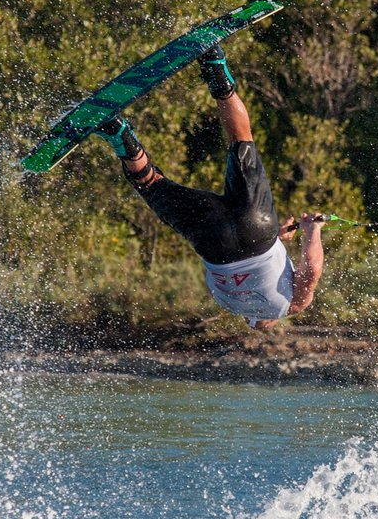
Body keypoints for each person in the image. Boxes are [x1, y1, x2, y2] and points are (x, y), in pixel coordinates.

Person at [91, 43, 325, 326]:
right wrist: (276, 236)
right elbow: (241, 259)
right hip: (214, 241)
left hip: (257, 227)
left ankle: (215, 67)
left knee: (241, 141)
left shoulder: (291, 306)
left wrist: (312, 231)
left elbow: (310, 269)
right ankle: (117, 132)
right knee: (150, 183)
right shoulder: (231, 304)